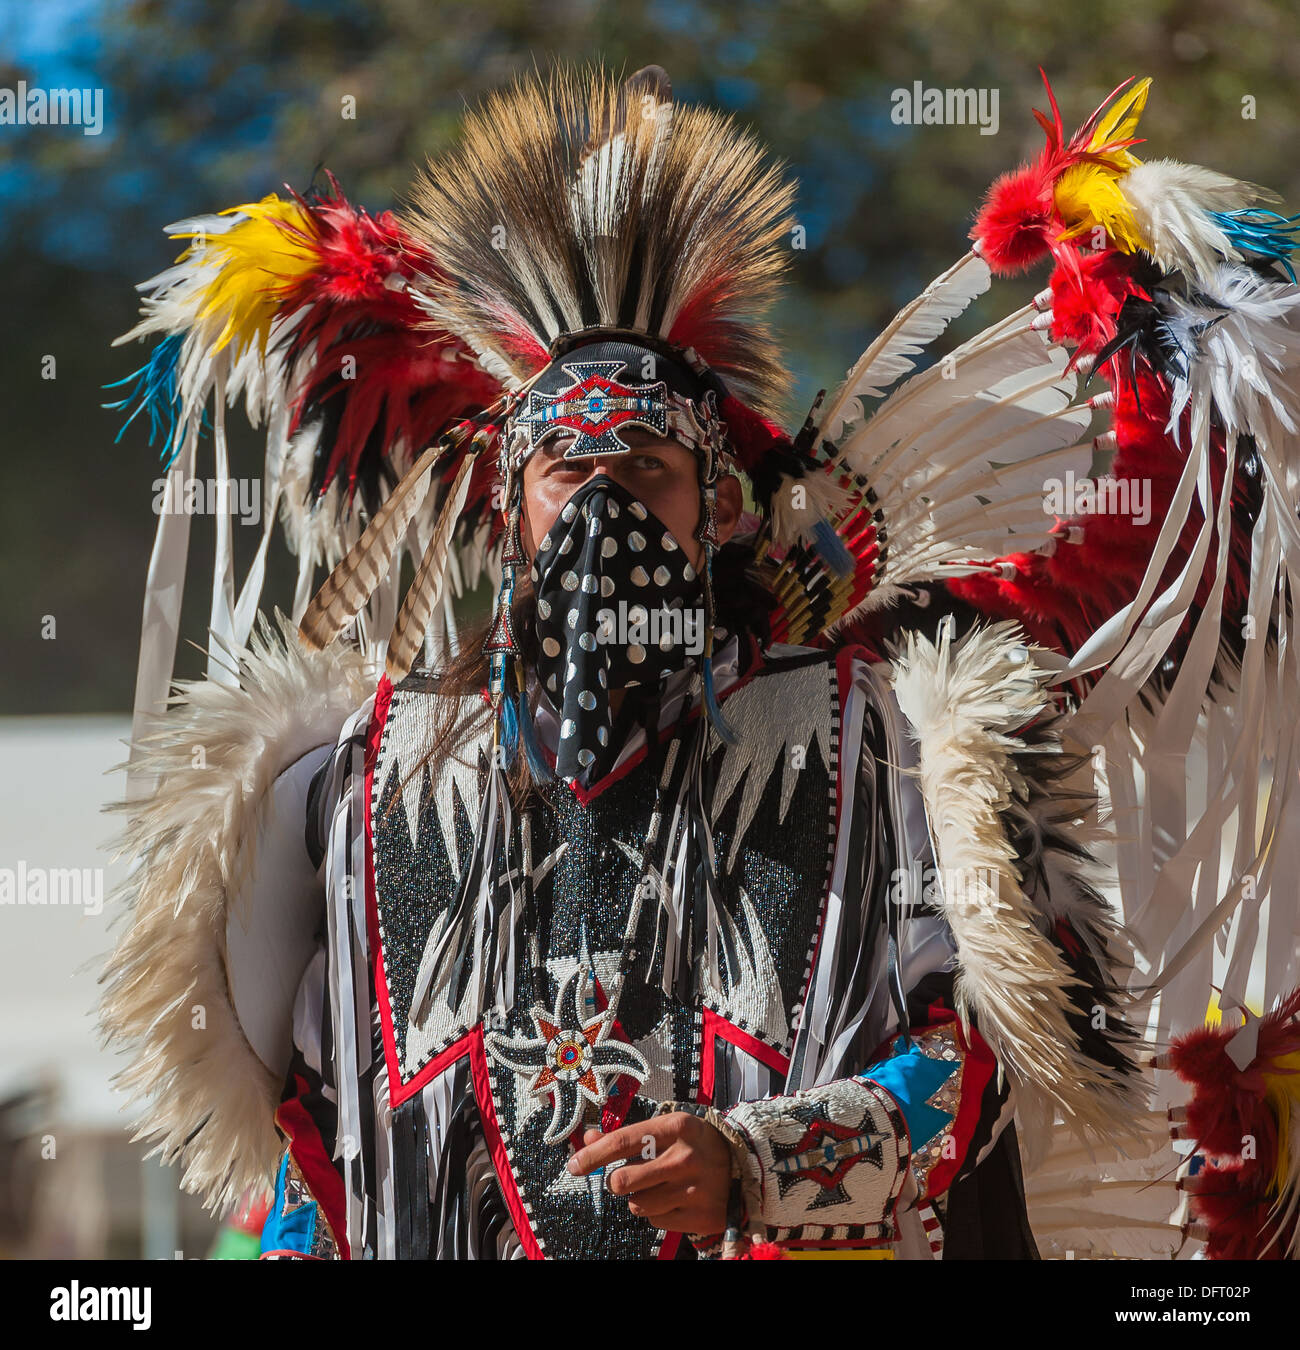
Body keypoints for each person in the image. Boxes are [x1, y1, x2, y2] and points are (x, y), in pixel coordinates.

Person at [102, 66, 1300, 1261]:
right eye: (569, 476)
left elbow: (971, 1059)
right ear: (508, 507)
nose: (603, 509)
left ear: (712, 504)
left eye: (646, 473)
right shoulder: (361, 783)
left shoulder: (875, 735)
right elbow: (330, 1142)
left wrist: (760, 1163)